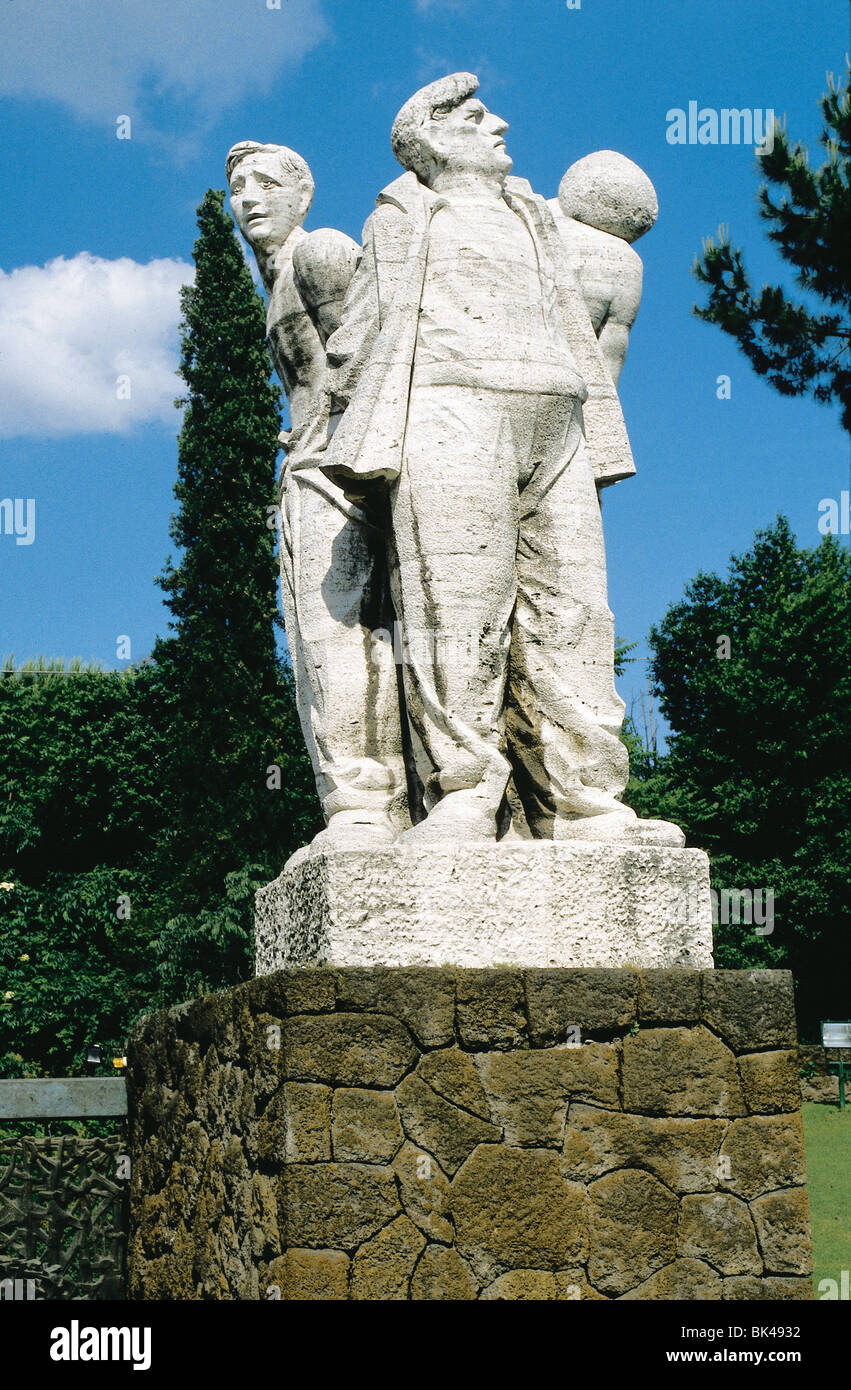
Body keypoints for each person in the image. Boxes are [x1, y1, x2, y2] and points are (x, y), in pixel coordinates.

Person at [321, 74, 683, 846]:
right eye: (478, 117)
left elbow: (601, 265)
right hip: (449, 411)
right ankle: (464, 793)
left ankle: (585, 799)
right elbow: (355, 340)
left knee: (574, 612)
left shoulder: (536, 214)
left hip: (558, 421)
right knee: (457, 609)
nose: (501, 125)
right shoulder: (400, 216)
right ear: (433, 137)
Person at [226, 141, 409, 847]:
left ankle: (362, 804)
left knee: (331, 632)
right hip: (311, 466)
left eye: (266, 183)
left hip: (339, 471)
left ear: (302, 194)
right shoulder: (276, 280)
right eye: (238, 187)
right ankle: (368, 802)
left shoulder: (320, 252)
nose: (249, 198)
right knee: (326, 640)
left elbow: (369, 361)